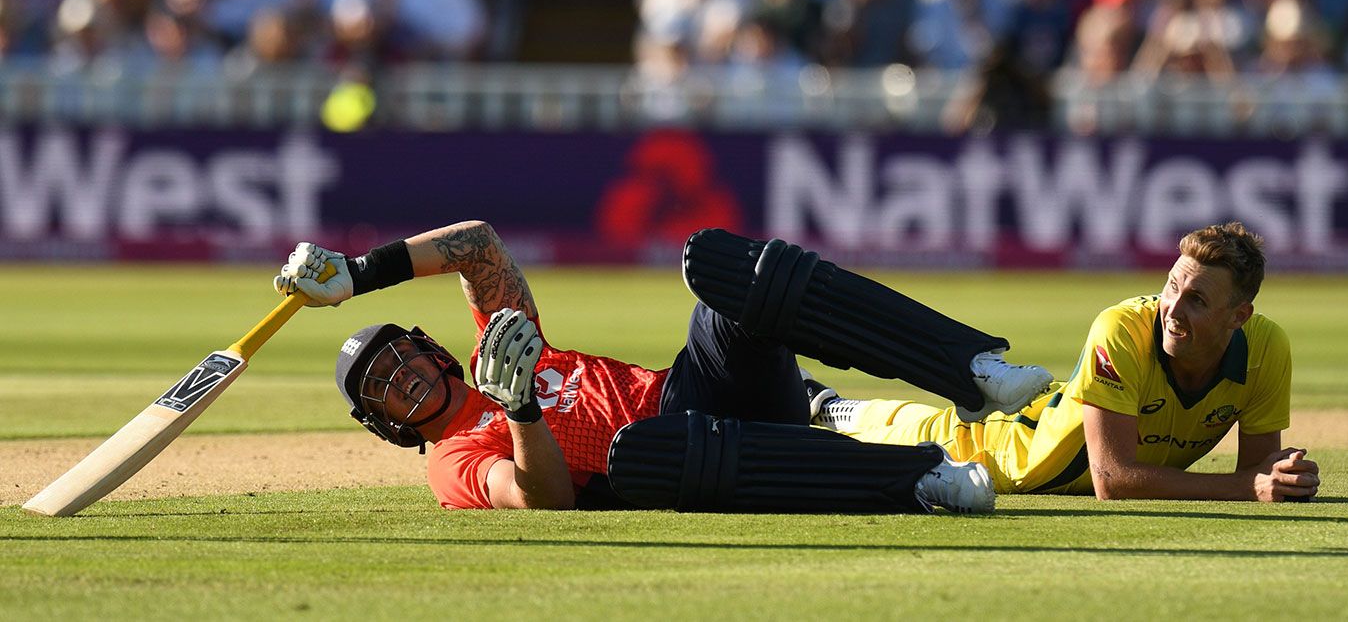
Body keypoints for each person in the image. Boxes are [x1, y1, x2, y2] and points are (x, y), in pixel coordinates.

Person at [273, 221, 1054, 513]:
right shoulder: (450, 462)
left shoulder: (504, 343)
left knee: (727, 271)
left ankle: (969, 366)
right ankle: (919, 478)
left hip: (696, 389)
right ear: (386, 424)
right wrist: (520, 414)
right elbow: (542, 499)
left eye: (396, 358)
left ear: (429, 347)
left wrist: (357, 271)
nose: (397, 378)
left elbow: (477, 242)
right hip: (668, 462)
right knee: (643, 456)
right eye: (379, 388)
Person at [801, 222, 1322, 502]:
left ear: (1240, 316)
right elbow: (1112, 481)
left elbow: (1256, 473)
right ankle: (820, 402)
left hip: (1049, 425)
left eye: (1198, 301)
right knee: (879, 432)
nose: (1173, 310)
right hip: (999, 450)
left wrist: (1282, 478)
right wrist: (1246, 487)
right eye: (1171, 285)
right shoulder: (1121, 329)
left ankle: (818, 401)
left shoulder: (1266, 348)